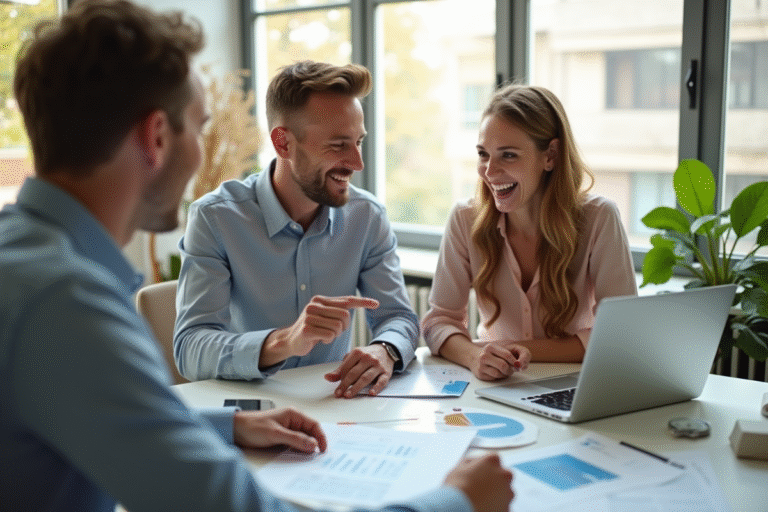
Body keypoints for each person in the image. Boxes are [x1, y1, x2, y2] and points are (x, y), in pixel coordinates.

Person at [0, 2, 514, 511]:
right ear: (156, 137)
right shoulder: (65, 303)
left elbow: (98, 417)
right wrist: (457, 502)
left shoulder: (29, 267)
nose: (203, 152)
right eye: (199, 128)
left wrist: (229, 424)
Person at [174, 60, 419, 399]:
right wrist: (284, 342)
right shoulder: (216, 218)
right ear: (283, 144)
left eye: (358, 142)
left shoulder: (367, 216)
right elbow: (191, 348)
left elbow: (399, 318)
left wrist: (385, 350)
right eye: (338, 145)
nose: (357, 163)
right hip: (248, 412)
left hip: (336, 407)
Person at [421, 83, 638, 381]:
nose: (490, 171)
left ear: (550, 155)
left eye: (508, 155)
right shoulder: (465, 219)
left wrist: (521, 349)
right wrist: (476, 357)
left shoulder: (599, 218)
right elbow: (438, 323)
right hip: (496, 386)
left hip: (574, 386)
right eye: (484, 154)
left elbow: (620, 334)